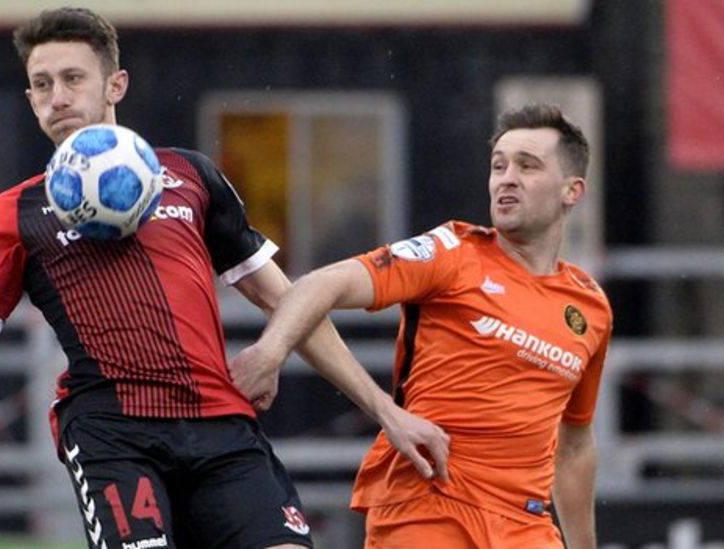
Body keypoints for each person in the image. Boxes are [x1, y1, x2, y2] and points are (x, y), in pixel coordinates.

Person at [0, 7, 446, 548]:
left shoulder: (190, 177)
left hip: (221, 426)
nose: (57, 98)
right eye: (42, 85)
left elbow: (287, 299)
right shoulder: (14, 213)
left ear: (115, 85)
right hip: (114, 437)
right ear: (29, 98)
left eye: (73, 78)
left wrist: (384, 410)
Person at [230, 103, 613, 549]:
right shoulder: (452, 252)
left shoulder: (589, 308)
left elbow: (576, 444)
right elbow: (322, 284)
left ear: (573, 191)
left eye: (528, 166)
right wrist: (271, 352)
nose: (507, 177)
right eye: (498, 165)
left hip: (524, 526)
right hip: (429, 504)